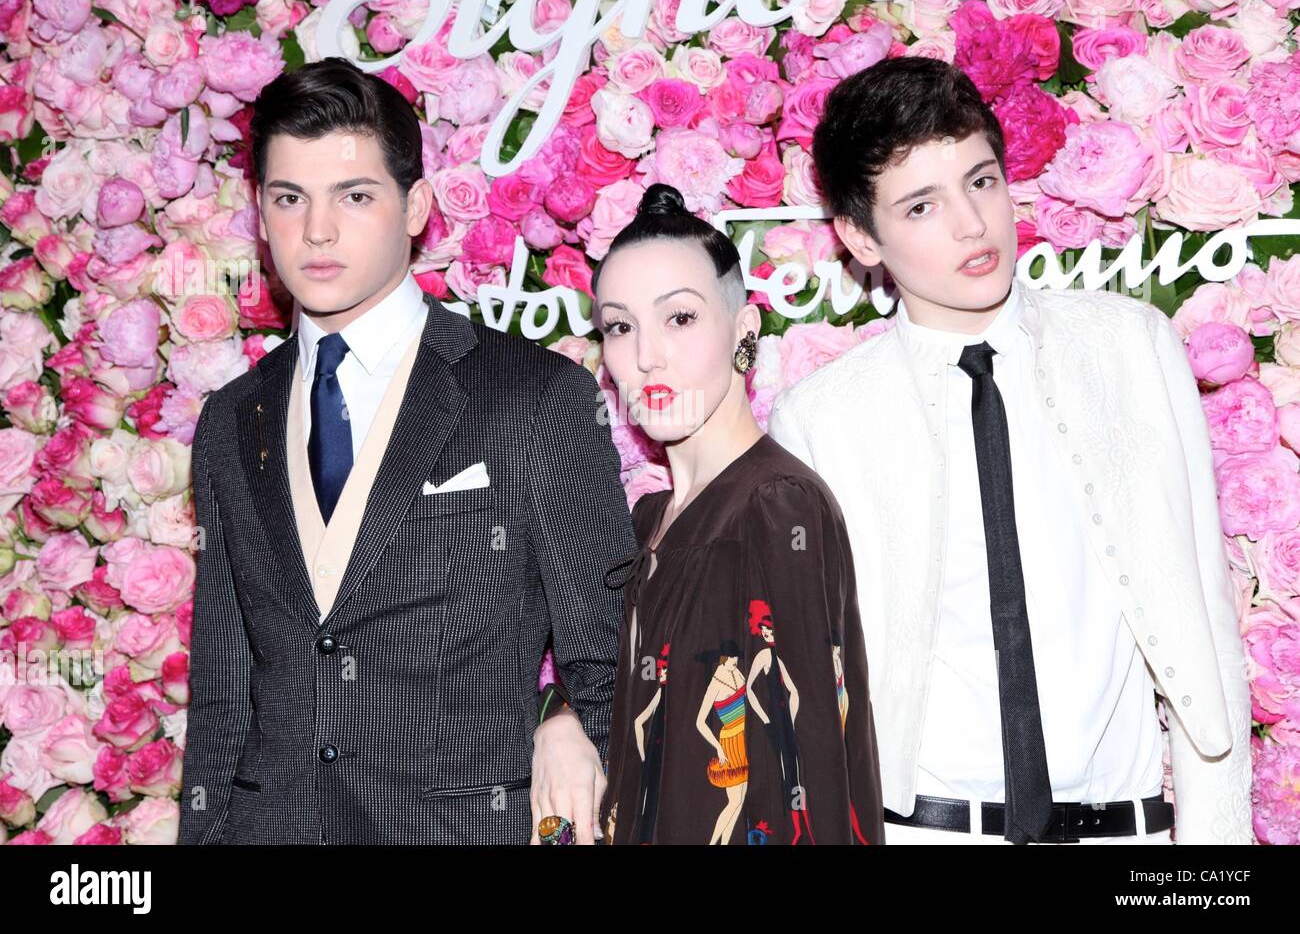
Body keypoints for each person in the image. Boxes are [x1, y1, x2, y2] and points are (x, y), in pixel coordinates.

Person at [768, 56, 1253, 844]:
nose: (971, 223)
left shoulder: (1130, 349)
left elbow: (1203, 607)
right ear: (860, 235)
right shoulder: (824, 418)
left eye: (982, 181)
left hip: (1124, 835)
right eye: (922, 205)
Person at [177, 58, 634, 845]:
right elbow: (223, 694)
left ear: (415, 206)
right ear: (260, 213)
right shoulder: (230, 419)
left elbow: (609, 664)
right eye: (290, 199)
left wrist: (560, 726)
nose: (317, 231)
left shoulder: (535, 396)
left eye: (354, 196)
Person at [593, 182, 885, 845]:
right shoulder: (647, 526)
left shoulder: (778, 507)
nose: (646, 355)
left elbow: (810, 764)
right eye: (619, 326)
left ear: (744, 331)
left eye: (681, 318)